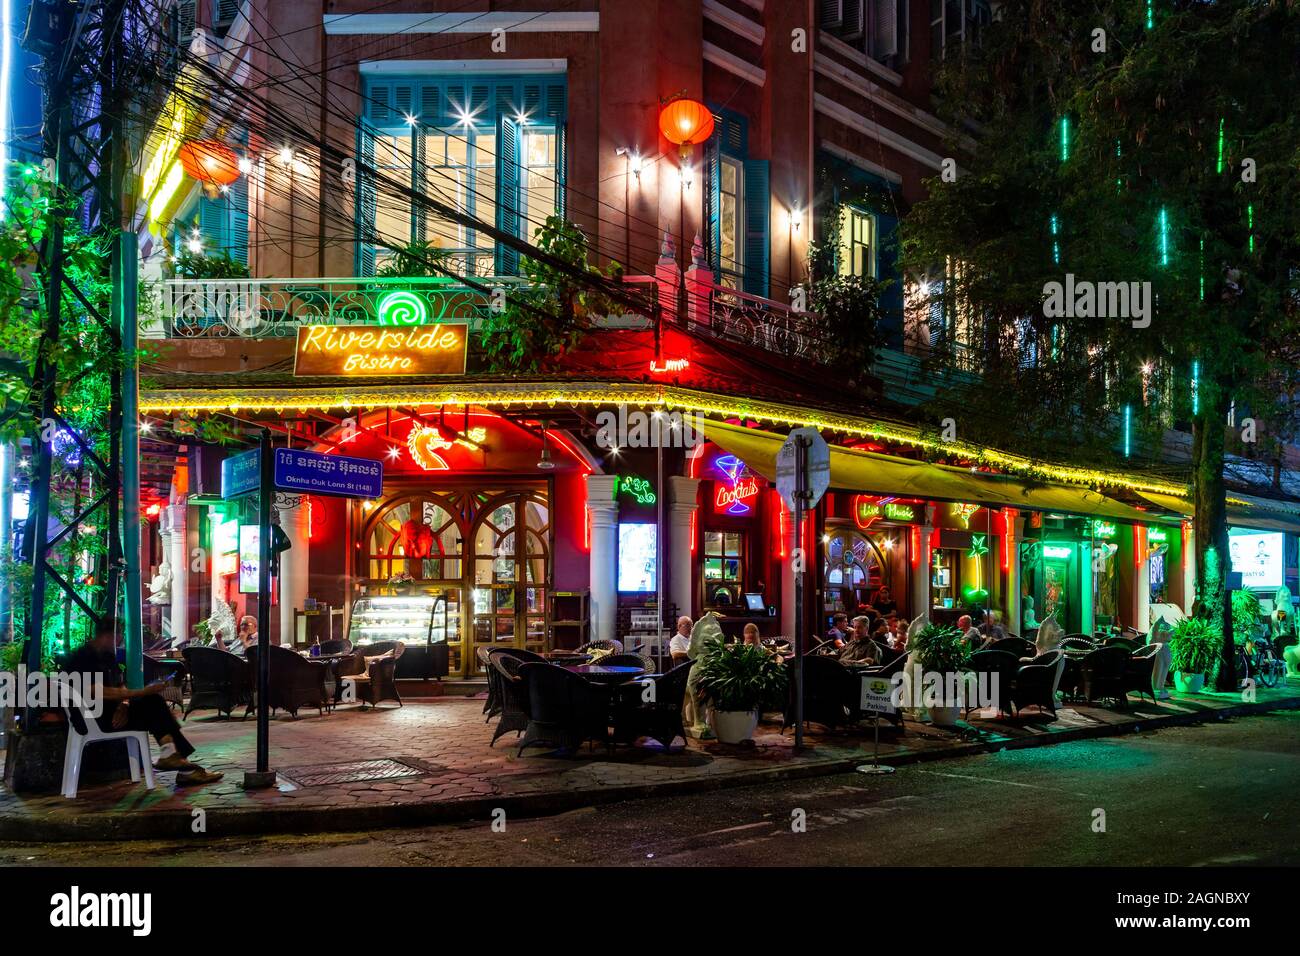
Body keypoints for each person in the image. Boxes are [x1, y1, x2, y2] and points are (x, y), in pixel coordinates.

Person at [65, 619, 224, 786]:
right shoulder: (83, 658)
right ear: (108, 635)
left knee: (153, 702)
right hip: (93, 718)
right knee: (152, 701)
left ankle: (172, 756)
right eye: (119, 635)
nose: (120, 639)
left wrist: (124, 704)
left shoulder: (106, 655)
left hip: (112, 712)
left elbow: (120, 686)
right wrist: (141, 692)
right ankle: (178, 761)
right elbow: (96, 691)